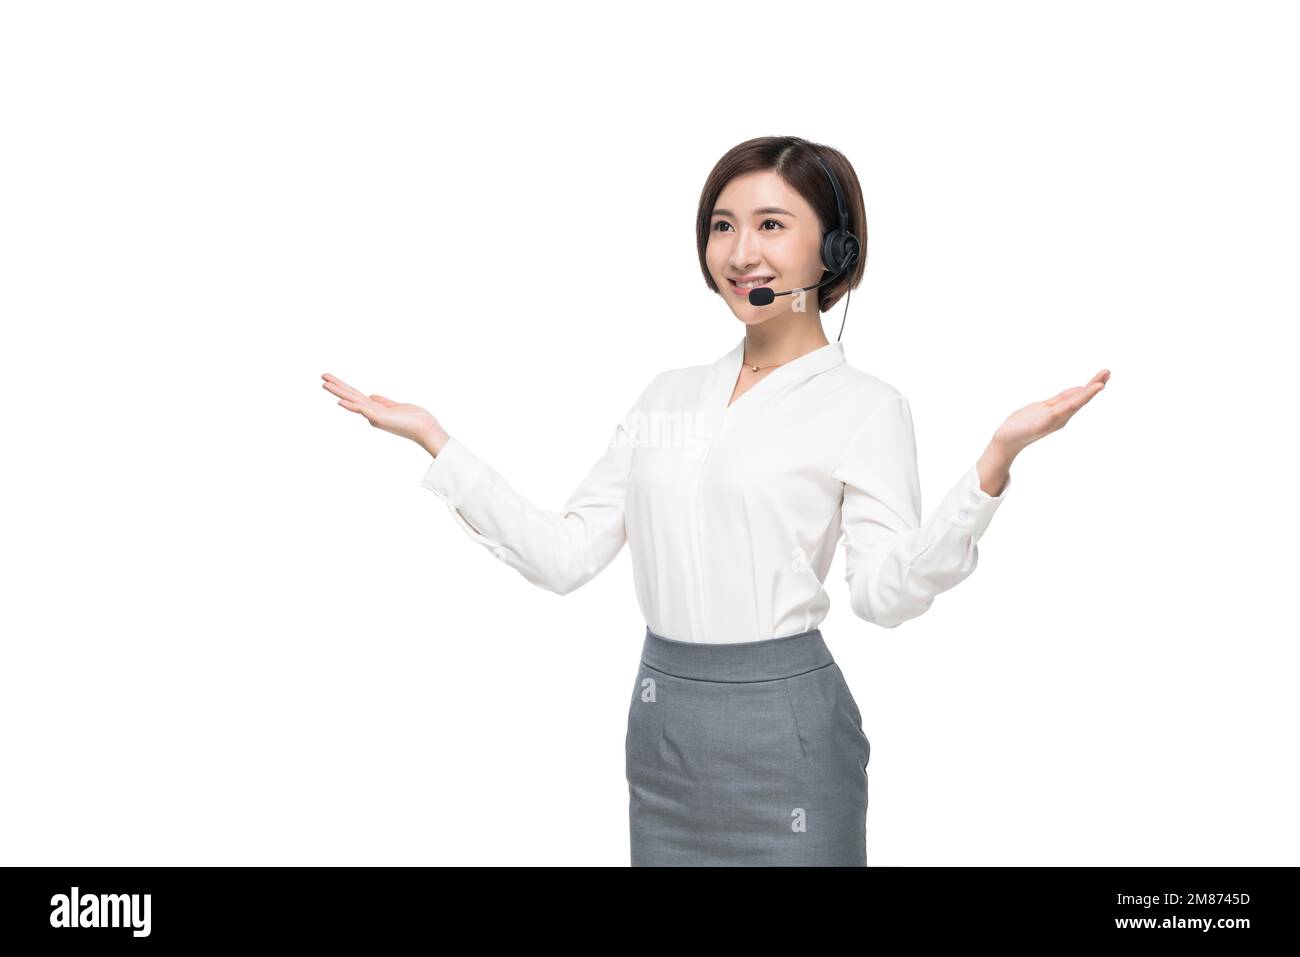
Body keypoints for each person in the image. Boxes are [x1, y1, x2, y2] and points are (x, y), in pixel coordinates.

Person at [321, 135, 1109, 866]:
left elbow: (885, 594)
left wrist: (993, 465)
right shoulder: (666, 397)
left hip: (791, 736)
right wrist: (438, 443)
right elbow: (564, 557)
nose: (740, 254)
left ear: (835, 249)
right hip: (663, 734)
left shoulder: (865, 406)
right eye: (723, 226)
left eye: (772, 224)